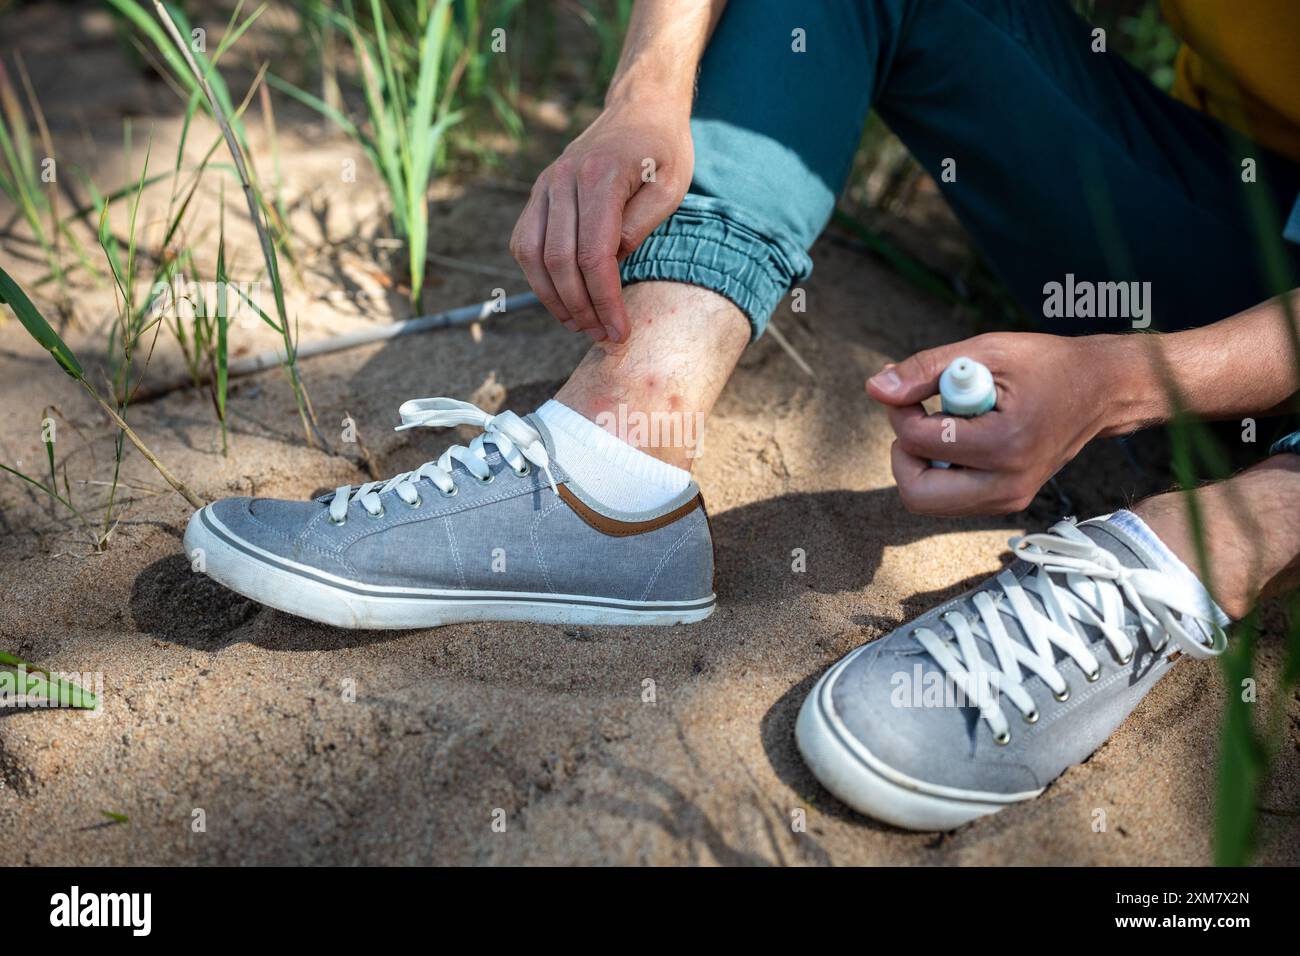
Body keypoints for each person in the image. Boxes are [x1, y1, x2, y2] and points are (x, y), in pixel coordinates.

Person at [188, 0, 1300, 830]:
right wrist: (647, 89)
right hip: (1227, 207)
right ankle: (617, 459)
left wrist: (1124, 378)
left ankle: (1195, 551)